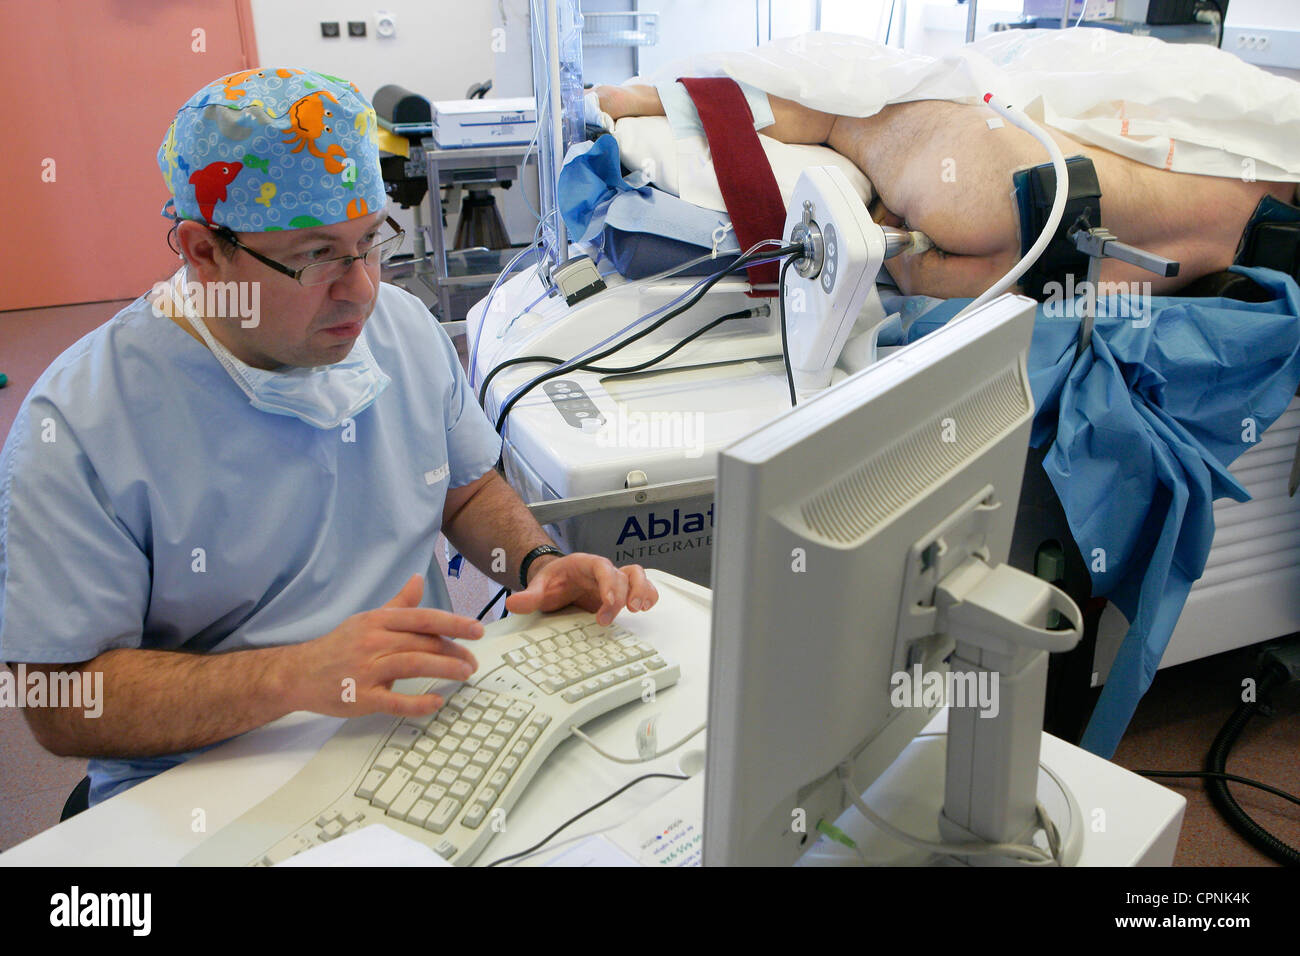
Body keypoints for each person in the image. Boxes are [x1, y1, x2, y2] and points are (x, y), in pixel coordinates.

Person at [0, 68, 657, 806]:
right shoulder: (82, 424)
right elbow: (59, 704)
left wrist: (533, 561)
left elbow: (464, 488)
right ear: (201, 250)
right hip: (205, 779)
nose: (363, 289)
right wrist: (295, 674)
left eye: (369, 242)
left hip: (413, 728)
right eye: (315, 256)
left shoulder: (401, 331)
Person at [596, 83, 1298, 300]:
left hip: (987, 184)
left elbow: (795, 99)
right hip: (1071, 235)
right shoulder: (1271, 169)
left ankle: (634, 95)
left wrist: (618, 101)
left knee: (838, 108)